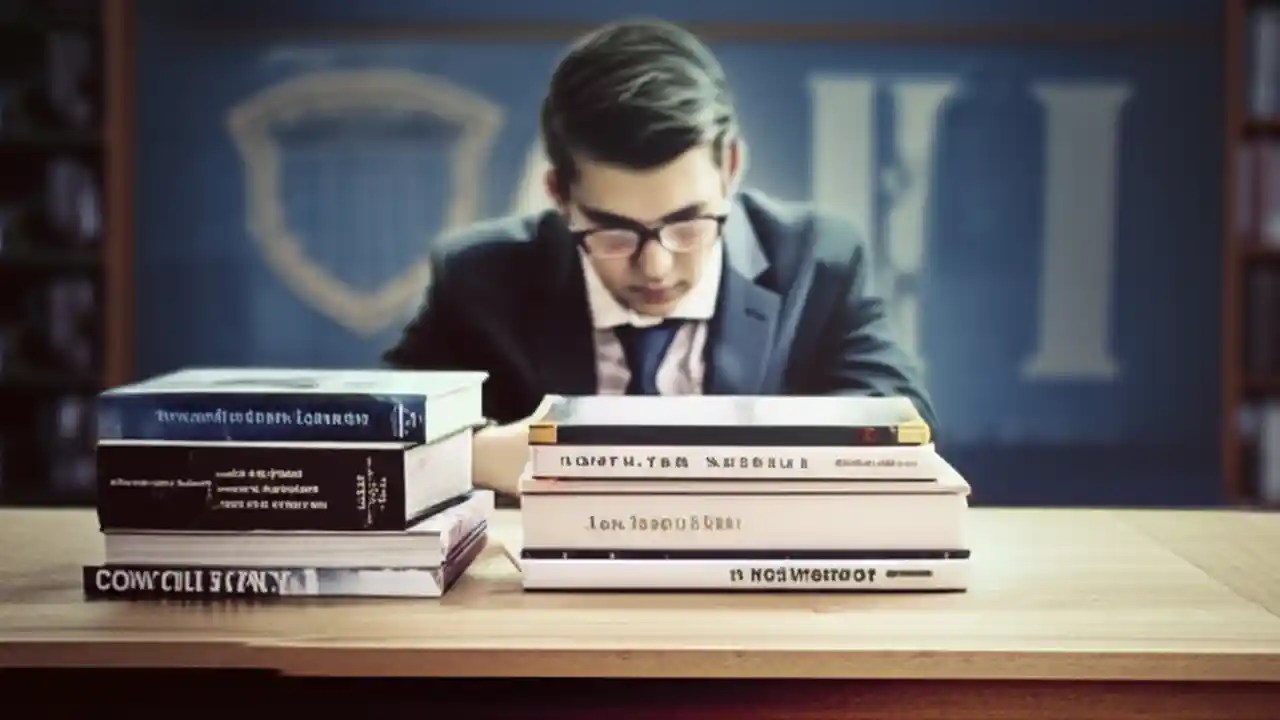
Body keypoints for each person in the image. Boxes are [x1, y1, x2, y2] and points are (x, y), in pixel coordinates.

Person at [383, 18, 935, 497]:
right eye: (615, 233)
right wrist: (478, 455)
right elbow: (374, 436)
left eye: (687, 224)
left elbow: (903, 419)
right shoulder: (477, 279)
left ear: (731, 168)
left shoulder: (820, 261)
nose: (656, 267)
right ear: (560, 195)